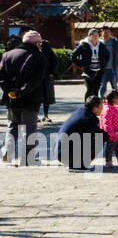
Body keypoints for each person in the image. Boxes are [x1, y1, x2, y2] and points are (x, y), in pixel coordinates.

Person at [1, 31, 48, 166]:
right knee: (29, 129)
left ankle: (7, 153)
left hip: (11, 99)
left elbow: (1, 77)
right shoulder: (39, 57)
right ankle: (28, 158)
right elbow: (36, 80)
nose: (40, 45)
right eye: (39, 43)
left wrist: (10, 91)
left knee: (12, 125)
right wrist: (21, 92)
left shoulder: (7, 55)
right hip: (30, 98)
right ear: (35, 43)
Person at [57, 94, 105, 170]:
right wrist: (115, 134)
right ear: (95, 108)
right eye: (101, 106)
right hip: (65, 153)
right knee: (99, 140)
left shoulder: (81, 111)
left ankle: (75, 162)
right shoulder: (89, 119)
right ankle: (78, 164)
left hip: (59, 151)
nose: (102, 109)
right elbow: (102, 135)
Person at [70, 28, 106, 103]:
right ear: (89, 36)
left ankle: (95, 106)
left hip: (99, 70)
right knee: (90, 89)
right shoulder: (84, 45)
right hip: (88, 71)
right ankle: (87, 105)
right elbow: (73, 56)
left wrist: (103, 64)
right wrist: (81, 65)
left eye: (97, 35)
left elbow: (107, 55)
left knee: (96, 90)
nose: (96, 37)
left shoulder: (101, 45)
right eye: (94, 35)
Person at [99, 89, 118, 169]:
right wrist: (110, 132)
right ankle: (108, 161)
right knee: (110, 149)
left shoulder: (117, 109)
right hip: (112, 134)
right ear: (114, 99)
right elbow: (106, 121)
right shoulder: (107, 109)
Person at [97, 26, 118, 97]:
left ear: (110, 33)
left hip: (113, 68)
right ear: (101, 33)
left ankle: (115, 100)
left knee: (114, 86)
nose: (107, 34)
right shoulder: (98, 42)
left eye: (108, 32)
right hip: (102, 69)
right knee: (102, 86)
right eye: (105, 32)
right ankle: (103, 100)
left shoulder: (115, 42)